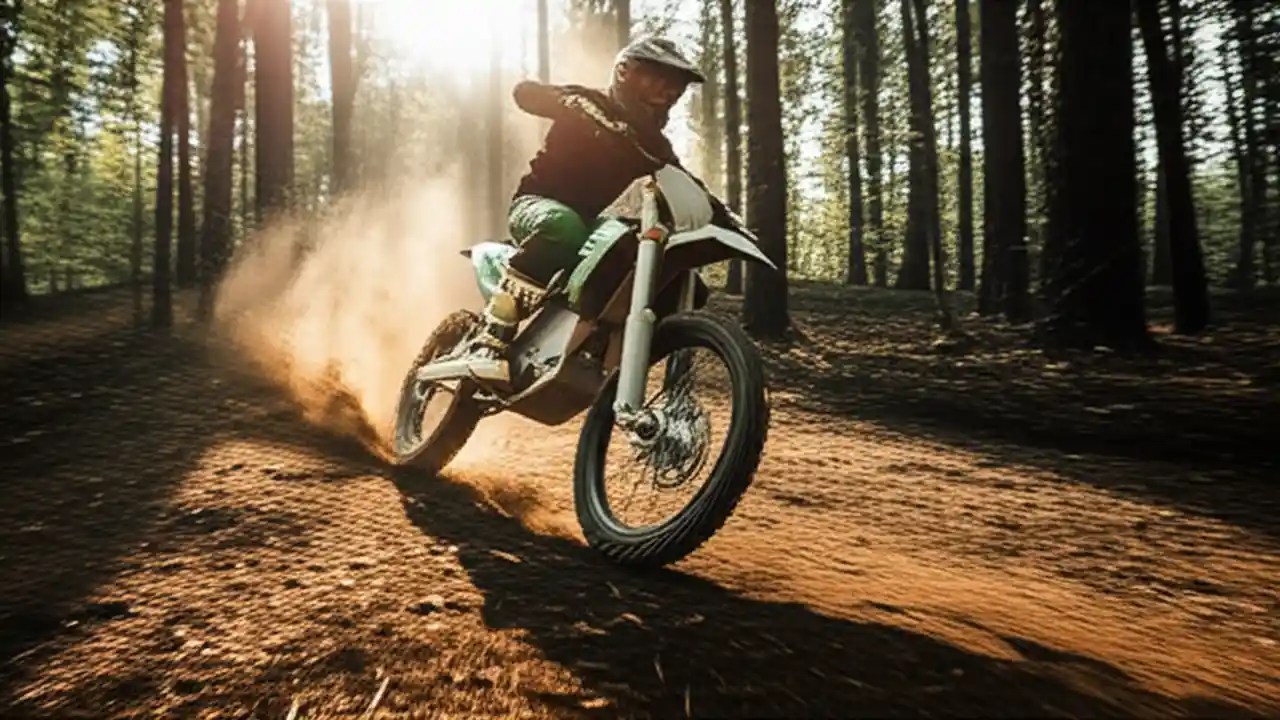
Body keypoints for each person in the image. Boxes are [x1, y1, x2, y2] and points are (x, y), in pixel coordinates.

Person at [465, 35, 722, 386]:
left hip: (591, 226)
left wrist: (724, 216)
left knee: (663, 267)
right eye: (660, 77)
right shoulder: (589, 103)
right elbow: (524, 93)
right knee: (564, 225)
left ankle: (604, 355)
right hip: (537, 205)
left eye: (677, 85)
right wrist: (564, 101)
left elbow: (688, 184)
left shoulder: (655, 146)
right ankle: (489, 340)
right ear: (624, 73)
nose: (670, 90)